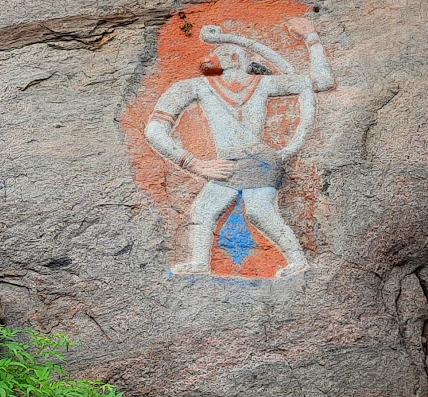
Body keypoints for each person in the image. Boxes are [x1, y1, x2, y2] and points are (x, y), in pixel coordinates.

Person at [142, 14, 335, 276]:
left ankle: (297, 261)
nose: (230, 57)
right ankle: (200, 263)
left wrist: (312, 39)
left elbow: (322, 84)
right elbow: (153, 130)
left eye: (232, 54)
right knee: (210, 209)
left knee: (256, 211)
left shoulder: (242, 84)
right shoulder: (198, 86)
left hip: (255, 160)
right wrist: (195, 164)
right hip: (237, 162)